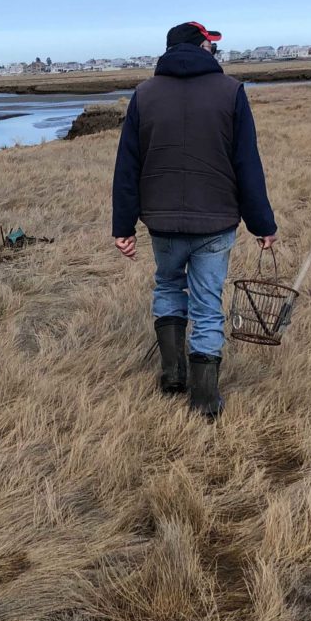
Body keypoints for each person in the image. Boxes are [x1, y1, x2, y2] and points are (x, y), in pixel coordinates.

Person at [111, 21, 278, 418]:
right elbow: (247, 165)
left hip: (163, 221)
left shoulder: (144, 94)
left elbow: (127, 167)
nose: (214, 51)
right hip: (216, 221)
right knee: (206, 302)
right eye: (212, 45)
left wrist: (123, 226)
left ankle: (173, 375)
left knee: (168, 285)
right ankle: (204, 399)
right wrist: (262, 225)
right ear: (202, 47)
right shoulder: (232, 91)